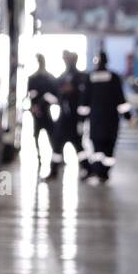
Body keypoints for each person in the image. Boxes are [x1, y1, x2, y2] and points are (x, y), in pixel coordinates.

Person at [82, 51, 132, 183]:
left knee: (97, 146)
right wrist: (128, 116)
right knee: (109, 147)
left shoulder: (90, 77)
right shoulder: (114, 77)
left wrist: (80, 120)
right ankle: (104, 173)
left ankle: (98, 171)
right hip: (111, 120)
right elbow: (121, 99)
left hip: (96, 119)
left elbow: (84, 101)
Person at [50, 50, 87, 180]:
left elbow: (82, 95)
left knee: (78, 144)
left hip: (74, 117)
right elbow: (58, 91)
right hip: (64, 116)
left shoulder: (80, 76)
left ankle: (87, 169)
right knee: (57, 144)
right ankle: (54, 170)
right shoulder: (63, 76)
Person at [26, 54, 60, 172]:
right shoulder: (46, 78)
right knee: (46, 136)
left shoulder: (38, 78)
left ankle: (48, 159)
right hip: (40, 112)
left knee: (47, 136)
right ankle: (45, 159)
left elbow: (55, 96)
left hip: (42, 112)